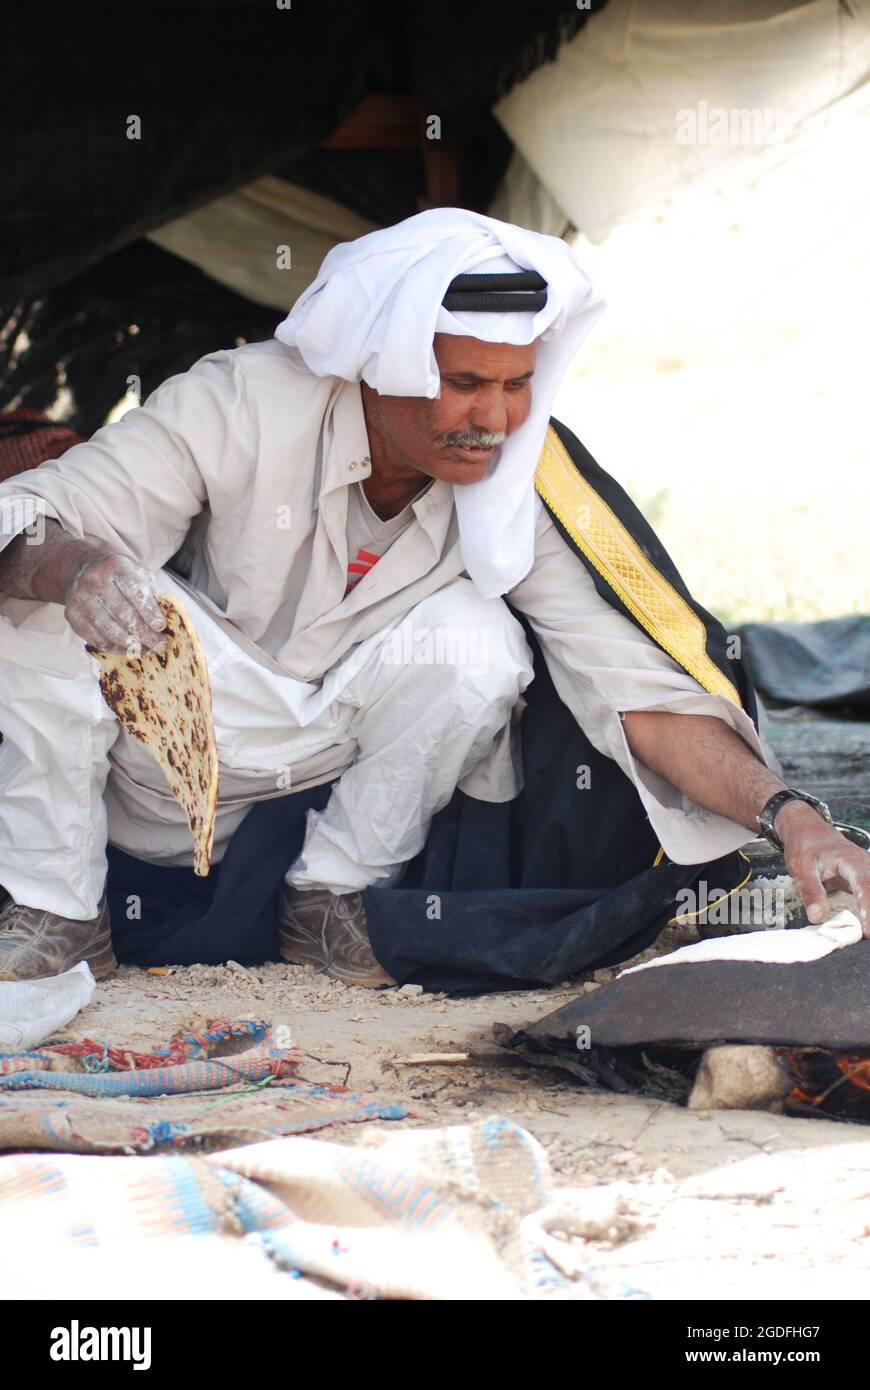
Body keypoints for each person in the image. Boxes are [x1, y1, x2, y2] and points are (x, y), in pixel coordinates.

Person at [0, 210, 866, 989]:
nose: (492, 417)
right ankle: (60, 914)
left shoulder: (517, 475)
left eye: (515, 383)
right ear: (385, 365)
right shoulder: (240, 403)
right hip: (167, 743)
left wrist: (789, 816)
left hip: (324, 775)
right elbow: (31, 516)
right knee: (42, 595)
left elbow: (636, 688)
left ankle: (327, 907)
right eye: (463, 382)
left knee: (477, 639)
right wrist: (74, 569)